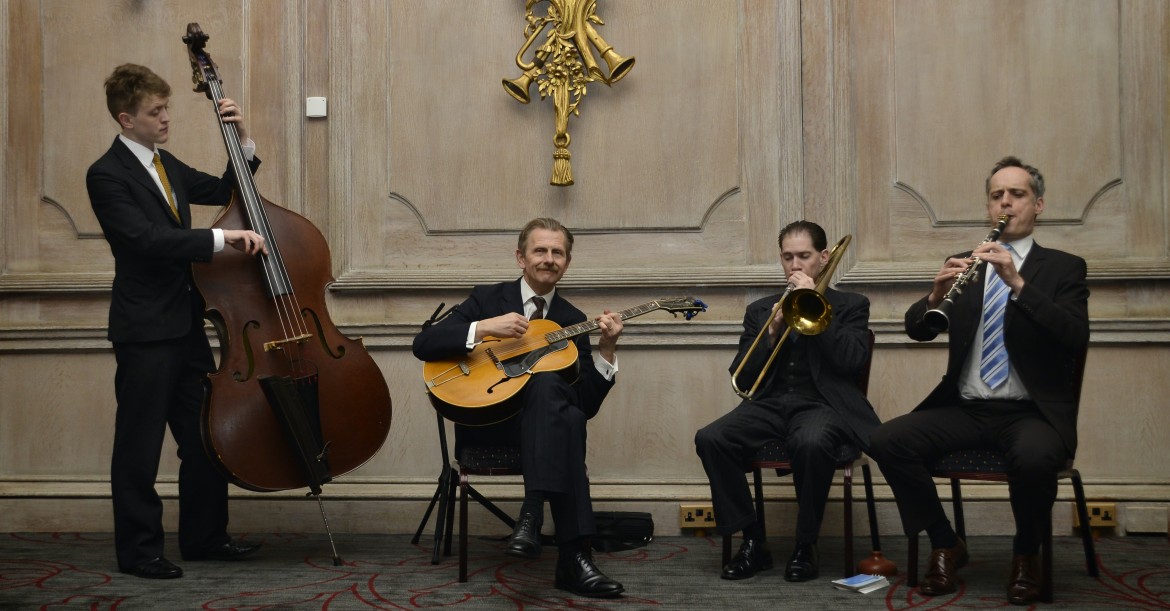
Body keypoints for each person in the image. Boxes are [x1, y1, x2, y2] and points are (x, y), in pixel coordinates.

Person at [868, 156, 1089, 605]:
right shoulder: (969, 263)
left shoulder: (1063, 268)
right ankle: (946, 542)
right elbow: (919, 329)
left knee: (1033, 459)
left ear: (1038, 204)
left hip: (1031, 413)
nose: (1005, 202)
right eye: (996, 196)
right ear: (989, 207)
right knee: (887, 440)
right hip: (967, 408)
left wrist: (1018, 283)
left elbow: (1073, 335)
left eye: (1017, 194)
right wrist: (934, 296)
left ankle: (1026, 553)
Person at [87, 64, 267, 579]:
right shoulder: (106, 174)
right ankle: (140, 552)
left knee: (205, 436)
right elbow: (144, 240)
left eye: (166, 108)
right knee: (139, 446)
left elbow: (226, 189)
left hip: (186, 326)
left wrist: (241, 139)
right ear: (126, 119)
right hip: (144, 331)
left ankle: (205, 538)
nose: (166, 118)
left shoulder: (164, 164)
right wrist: (222, 240)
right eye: (155, 111)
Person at [412, 217, 625, 598]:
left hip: (549, 429)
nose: (549, 259)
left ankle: (532, 515)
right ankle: (575, 557)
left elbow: (586, 404)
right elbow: (424, 344)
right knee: (567, 423)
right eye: (540, 250)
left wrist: (606, 351)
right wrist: (483, 328)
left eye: (557, 252)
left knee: (560, 402)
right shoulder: (487, 300)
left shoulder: (573, 321)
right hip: (491, 425)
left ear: (567, 262)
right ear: (521, 258)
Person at [695, 220, 879, 582]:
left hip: (823, 405)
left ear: (823, 258)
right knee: (711, 438)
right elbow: (743, 377)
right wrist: (772, 330)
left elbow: (851, 361)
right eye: (787, 257)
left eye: (804, 256)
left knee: (810, 441)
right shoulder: (761, 310)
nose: (795, 265)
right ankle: (753, 541)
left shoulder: (852, 305)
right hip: (769, 403)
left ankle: (805, 544)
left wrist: (816, 308)